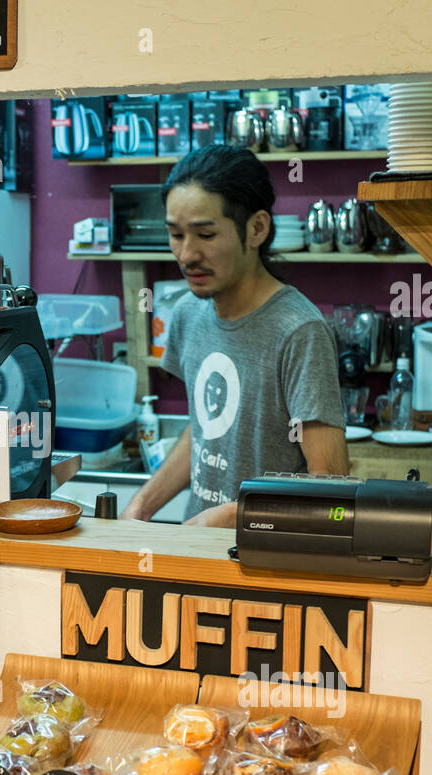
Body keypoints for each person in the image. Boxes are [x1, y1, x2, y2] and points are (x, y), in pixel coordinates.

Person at [121, 145, 347, 527]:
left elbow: (332, 491)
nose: (186, 254)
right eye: (175, 235)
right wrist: (141, 508)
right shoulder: (188, 314)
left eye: (205, 234)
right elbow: (205, 429)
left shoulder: (299, 331)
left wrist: (229, 517)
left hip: (262, 568)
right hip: (196, 555)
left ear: (257, 228)